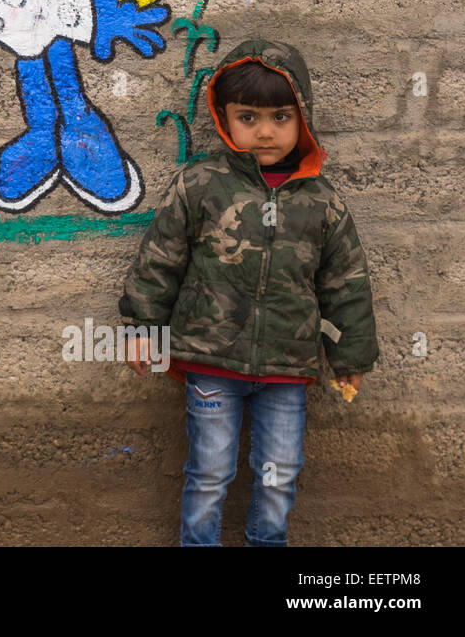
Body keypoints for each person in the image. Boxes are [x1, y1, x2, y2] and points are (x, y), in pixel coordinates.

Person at [119, 38, 378, 546]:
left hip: (287, 368)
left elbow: (346, 283)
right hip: (211, 364)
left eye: (281, 116)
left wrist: (351, 355)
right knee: (209, 476)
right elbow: (160, 260)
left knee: (279, 476)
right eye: (249, 117)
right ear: (224, 118)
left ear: (301, 117)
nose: (265, 131)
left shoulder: (322, 201)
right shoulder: (200, 184)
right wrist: (142, 328)